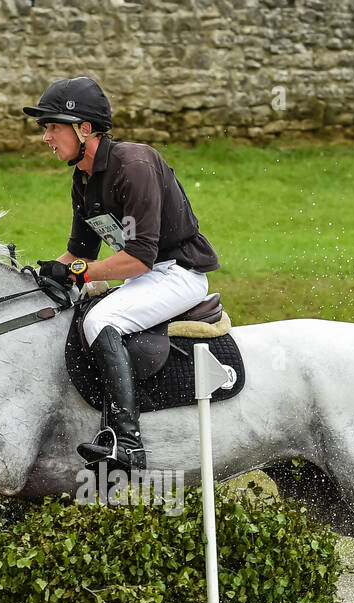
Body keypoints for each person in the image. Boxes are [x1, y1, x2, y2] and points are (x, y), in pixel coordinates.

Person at [24, 76, 221, 473]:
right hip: (145, 276)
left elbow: (139, 257)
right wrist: (47, 273)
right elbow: (80, 252)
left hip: (178, 273)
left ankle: (127, 442)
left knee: (101, 318)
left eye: (52, 127)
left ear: (84, 129)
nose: (46, 137)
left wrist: (76, 272)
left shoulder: (135, 165)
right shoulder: (83, 178)